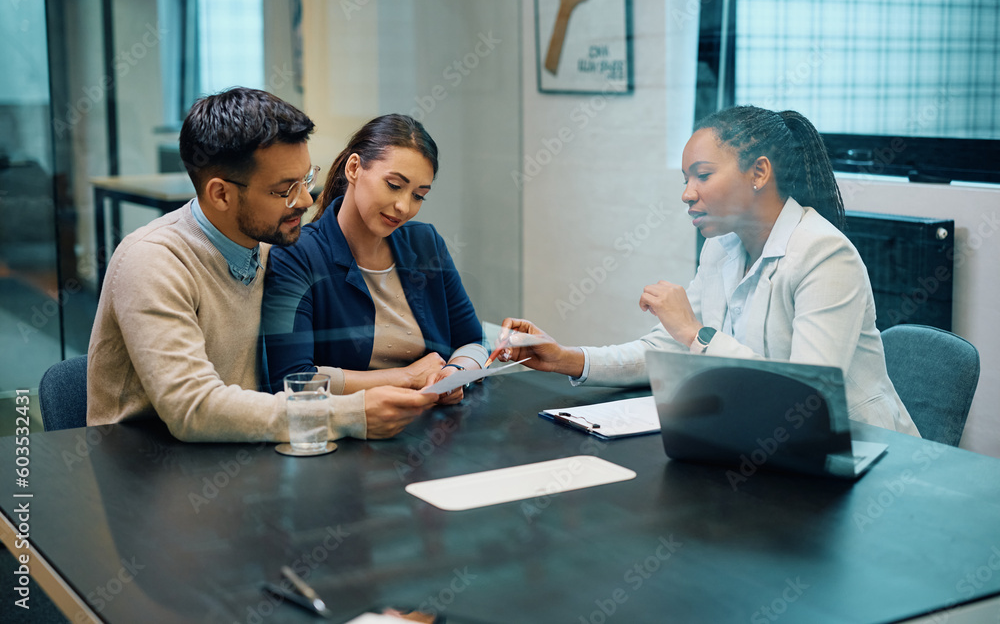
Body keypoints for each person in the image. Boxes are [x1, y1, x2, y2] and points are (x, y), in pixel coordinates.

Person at [499, 105, 919, 436]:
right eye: (686, 178)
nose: (686, 194)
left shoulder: (824, 254)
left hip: (865, 452)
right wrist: (568, 359)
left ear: (759, 172)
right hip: (770, 441)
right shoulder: (722, 248)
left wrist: (693, 333)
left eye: (702, 175)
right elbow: (665, 351)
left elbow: (805, 397)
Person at [87, 88, 437, 441]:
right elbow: (193, 409)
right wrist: (350, 412)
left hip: (242, 458)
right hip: (145, 474)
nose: (304, 200)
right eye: (284, 190)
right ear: (221, 194)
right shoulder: (153, 261)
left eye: (305, 179)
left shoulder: (273, 249)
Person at [260, 114, 486, 404]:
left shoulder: (425, 243)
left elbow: (473, 342)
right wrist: (406, 378)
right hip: (350, 435)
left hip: (434, 427)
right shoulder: (297, 254)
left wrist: (453, 374)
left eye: (418, 195)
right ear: (354, 168)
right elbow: (293, 380)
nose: (403, 207)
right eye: (393, 185)